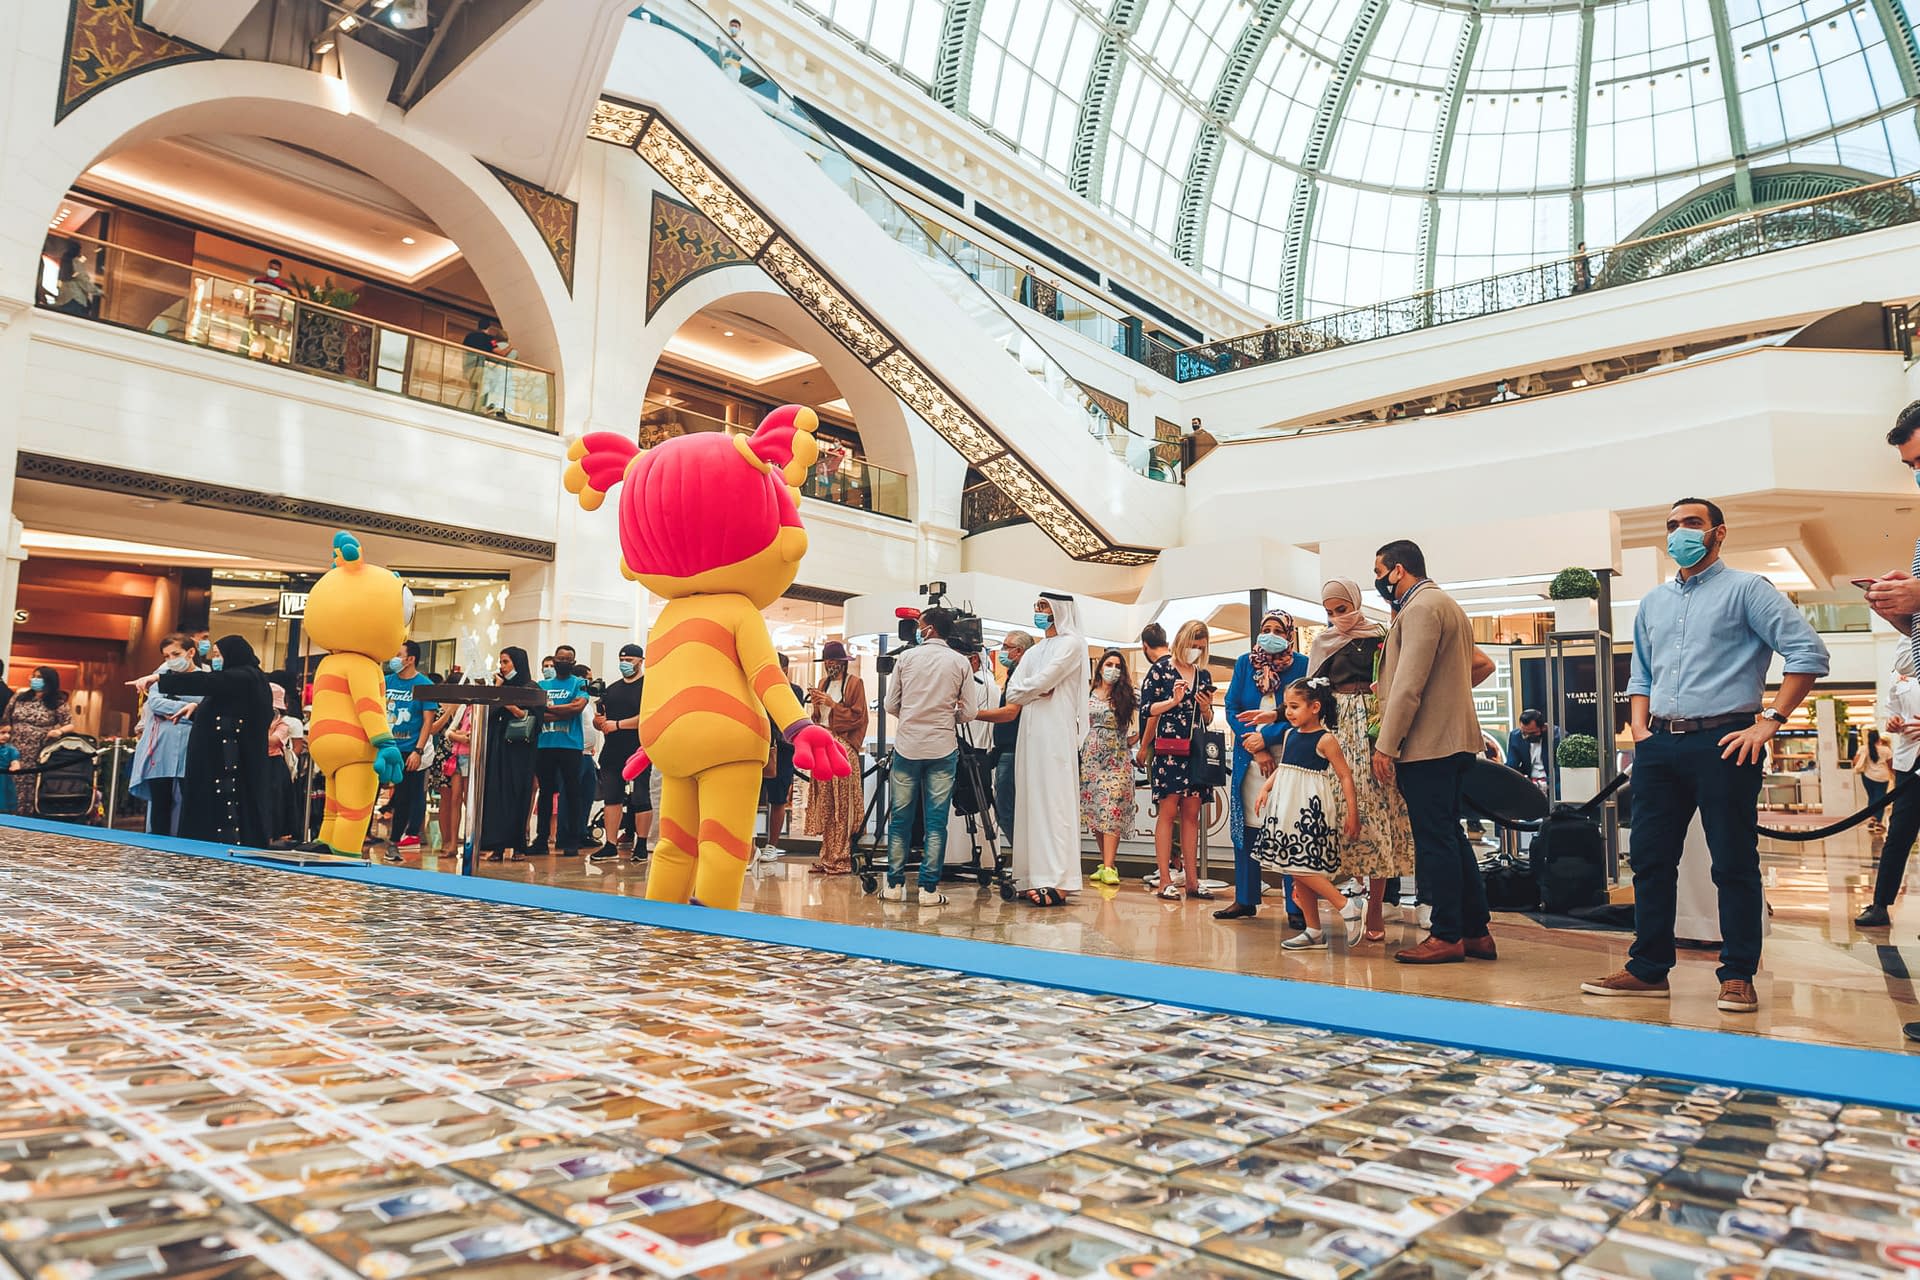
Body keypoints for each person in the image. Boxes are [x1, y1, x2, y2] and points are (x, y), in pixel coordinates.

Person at [1582, 498, 1828, 1013]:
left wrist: (1770, 722)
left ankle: (1738, 974)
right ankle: (1648, 968)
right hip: (1659, 747)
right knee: (1650, 860)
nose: (1679, 533)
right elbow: (1641, 674)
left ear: (1718, 533)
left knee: (1732, 862)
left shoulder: (1747, 590)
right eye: (1672, 526)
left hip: (1726, 740)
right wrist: (1639, 728)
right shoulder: (1653, 602)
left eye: (1690, 524)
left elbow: (1807, 654)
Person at [1372, 540, 1495, 965]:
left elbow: (1409, 684)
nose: (1379, 581)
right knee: (1451, 836)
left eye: (1381, 571)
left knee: (1434, 841)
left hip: (1428, 746)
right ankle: (1475, 930)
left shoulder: (1422, 607)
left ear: (1399, 570)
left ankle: (1446, 934)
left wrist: (1386, 745)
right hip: (1451, 742)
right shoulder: (1447, 605)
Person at [1304, 578, 1411, 942]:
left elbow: (1396, 680)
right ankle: (1344, 900)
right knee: (1337, 814)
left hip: (1373, 725)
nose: (1337, 618)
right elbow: (1312, 691)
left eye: (1342, 609)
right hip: (1337, 730)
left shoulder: (1381, 635)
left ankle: (1377, 904)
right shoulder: (1322, 642)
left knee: (1377, 811)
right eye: (1330, 612)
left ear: (1356, 603)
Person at [976, 593, 1089, 906]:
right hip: (1030, 734)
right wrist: (1035, 690)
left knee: (1055, 805)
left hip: (1056, 734)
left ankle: (1060, 881)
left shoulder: (1072, 644)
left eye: (1045, 607)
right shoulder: (1036, 650)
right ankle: (1033, 876)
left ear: (1059, 611)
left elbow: (1044, 681)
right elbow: (1015, 688)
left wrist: (1033, 689)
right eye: (1037, 607)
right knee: (1031, 805)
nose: (1039, 612)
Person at [1252, 678, 1363, 949]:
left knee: (1299, 865)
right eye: (1286, 706)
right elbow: (1284, 766)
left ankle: (1346, 905)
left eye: (1294, 706)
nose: (1288, 712)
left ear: (1315, 707)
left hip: (1309, 807)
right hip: (1286, 804)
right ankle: (1314, 930)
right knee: (1295, 868)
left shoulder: (1326, 740)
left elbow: (1345, 777)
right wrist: (1266, 787)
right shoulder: (1290, 734)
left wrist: (1353, 812)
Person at [880, 607, 981, 905]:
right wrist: (950, 717)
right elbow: (971, 712)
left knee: (900, 819)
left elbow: (890, 704)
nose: (917, 629)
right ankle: (928, 890)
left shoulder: (907, 659)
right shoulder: (960, 663)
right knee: (936, 823)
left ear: (930, 629)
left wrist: (912, 716)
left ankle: (894, 886)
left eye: (919, 625)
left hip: (908, 747)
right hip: (942, 748)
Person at [1218, 610, 1305, 922]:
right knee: (1247, 830)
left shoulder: (1303, 665)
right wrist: (1253, 744)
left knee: (1289, 829)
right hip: (1249, 757)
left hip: (1289, 756)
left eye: (1277, 630)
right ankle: (1245, 898)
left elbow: (1300, 711)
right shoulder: (1245, 663)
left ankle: (1296, 905)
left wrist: (1265, 738)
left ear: (1289, 635)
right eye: (1265, 629)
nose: (1270, 634)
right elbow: (1232, 706)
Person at [157, 636, 275, 848]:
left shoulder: (245, 676)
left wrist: (159, 679)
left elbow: (206, 683)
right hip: (222, 759)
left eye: (219, 654)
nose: (215, 660)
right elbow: (225, 706)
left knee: (226, 810)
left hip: (230, 762)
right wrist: (196, 710)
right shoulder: (242, 679)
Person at [1139, 619, 1216, 901]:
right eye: (1192, 645)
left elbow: (1208, 719)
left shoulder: (1203, 675)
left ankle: (1193, 880)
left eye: (1201, 647)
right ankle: (1165, 879)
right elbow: (1147, 709)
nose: (1195, 650)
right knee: (1168, 812)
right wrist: (1173, 700)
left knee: (1192, 815)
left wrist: (1206, 708)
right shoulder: (1161, 669)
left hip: (1195, 751)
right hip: (1169, 750)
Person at [1859, 649, 1920, 928]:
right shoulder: (1905, 647)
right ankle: (1880, 904)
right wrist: (1893, 722)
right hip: (1910, 763)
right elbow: (1894, 710)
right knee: (1897, 836)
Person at [805, 641, 867, 876]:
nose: (830, 665)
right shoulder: (823, 684)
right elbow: (819, 719)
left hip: (842, 747)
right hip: (822, 746)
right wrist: (817, 707)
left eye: (833, 661)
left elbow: (857, 718)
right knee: (826, 805)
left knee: (843, 806)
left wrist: (832, 704)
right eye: (827, 661)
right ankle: (827, 856)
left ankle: (841, 858)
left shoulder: (855, 684)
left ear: (842, 662)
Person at [129, 634, 200, 837]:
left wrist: (191, 710)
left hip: (191, 744)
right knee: (160, 799)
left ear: (191, 652)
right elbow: (155, 703)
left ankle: (188, 844)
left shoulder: (205, 677)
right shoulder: (161, 675)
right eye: (167, 655)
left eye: (176, 654)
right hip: (160, 744)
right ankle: (158, 844)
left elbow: (207, 706)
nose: (171, 659)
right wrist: (189, 708)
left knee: (190, 799)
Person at [1082, 649, 1137, 887]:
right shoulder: (1087, 692)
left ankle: (1108, 865)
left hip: (1117, 758)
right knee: (1096, 810)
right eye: (1108, 664)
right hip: (1092, 758)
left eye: (1117, 665)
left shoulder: (1127, 695)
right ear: (1100, 667)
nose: (1112, 669)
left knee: (1112, 808)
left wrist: (1136, 741)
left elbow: (1147, 716)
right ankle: (1106, 863)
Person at [591, 643, 650, 864]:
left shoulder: (648, 687)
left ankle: (641, 844)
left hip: (639, 751)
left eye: (630, 660)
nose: (625, 664)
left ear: (640, 661)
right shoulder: (612, 690)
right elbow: (602, 720)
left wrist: (618, 724)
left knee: (641, 797)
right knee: (611, 798)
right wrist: (599, 723)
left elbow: (646, 717)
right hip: (612, 751)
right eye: (622, 660)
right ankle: (610, 844)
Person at [479, 648, 539, 862]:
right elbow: (489, 713)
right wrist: (497, 690)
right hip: (499, 750)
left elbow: (532, 717)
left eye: (506, 662)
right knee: (496, 795)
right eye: (501, 662)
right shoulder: (501, 687)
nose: (502, 666)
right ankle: (496, 845)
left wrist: (508, 702)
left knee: (518, 796)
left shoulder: (531, 688)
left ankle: (518, 845)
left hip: (520, 752)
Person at [382, 640, 438, 859]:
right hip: (384, 745)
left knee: (404, 797)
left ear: (410, 658)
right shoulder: (386, 682)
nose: (394, 659)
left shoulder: (424, 686)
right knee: (369, 790)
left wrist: (418, 750)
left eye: (399, 654)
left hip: (408, 749)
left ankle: (394, 842)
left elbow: (427, 722)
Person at [531, 650, 589, 856]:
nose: (562, 662)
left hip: (571, 746)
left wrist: (549, 709)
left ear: (573, 662)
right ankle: (541, 839)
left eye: (567, 659)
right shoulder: (542, 685)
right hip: (544, 745)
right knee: (545, 792)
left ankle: (572, 839)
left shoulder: (579, 683)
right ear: (554, 661)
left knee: (572, 792)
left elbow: (577, 708)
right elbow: (537, 715)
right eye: (559, 659)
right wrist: (564, 710)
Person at [989, 631, 1034, 862]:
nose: (1003, 652)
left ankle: (1023, 858)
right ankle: (1024, 858)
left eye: (1006, 647)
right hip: (1010, 749)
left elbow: (1010, 713)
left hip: (1013, 750)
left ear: (1019, 651)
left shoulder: (1022, 677)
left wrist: (974, 714)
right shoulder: (1014, 675)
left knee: (1006, 808)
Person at [5, 665, 73, 816]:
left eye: (39, 677)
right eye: (33, 676)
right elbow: (6, 718)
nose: (34, 680)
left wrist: (58, 731)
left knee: (28, 782)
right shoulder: (20, 697)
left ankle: (25, 815)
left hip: (37, 748)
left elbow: (69, 724)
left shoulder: (57, 702)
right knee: (10, 778)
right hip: (14, 745)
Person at [758, 653, 804, 861]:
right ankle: (749, 844)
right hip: (758, 747)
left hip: (783, 751)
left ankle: (772, 844)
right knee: (750, 798)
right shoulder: (756, 688)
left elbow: (792, 718)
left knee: (778, 798)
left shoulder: (793, 691)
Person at [1506, 710, 1562, 795]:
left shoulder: (1558, 737)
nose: (1526, 737)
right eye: (1524, 733)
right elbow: (1512, 765)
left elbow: (1560, 769)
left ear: (1543, 727)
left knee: (1559, 789)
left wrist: (1547, 783)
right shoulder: (1515, 736)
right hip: (1528, 781)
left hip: (1553, 781)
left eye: (1531, 733)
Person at [1854, 727, 1894, 836]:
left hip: (1867, 776)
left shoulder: (1863, 748)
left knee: (1872, 798)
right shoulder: (1886, 750)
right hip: (1882, 777)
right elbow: (1891, 765)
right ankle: (1877, 821)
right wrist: (1895, 775)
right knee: (1880, 799)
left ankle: (1872, 819)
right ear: (1878, 738)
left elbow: (1855, 761)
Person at [53, 245, 100, 317]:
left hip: (64, 299)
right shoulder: (76, 262)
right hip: (76, 299)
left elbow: (59, 284)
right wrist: (98, 291)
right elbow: (83, 280)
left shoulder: (64, 264)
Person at [0, 725, 18, 815]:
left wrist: (15, 765)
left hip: (4, 779)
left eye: (9, 733)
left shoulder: (10, 749)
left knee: (4, 798)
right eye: (2, 733)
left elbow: (15, 761)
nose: (7, 736)